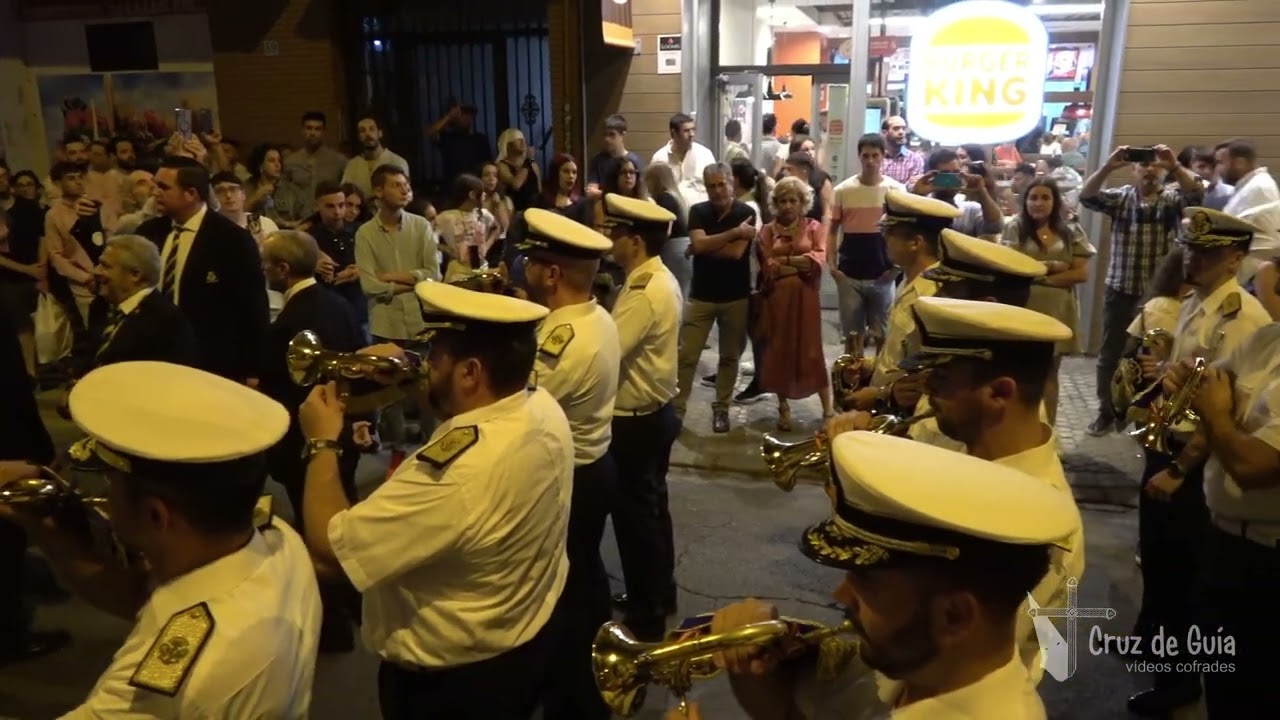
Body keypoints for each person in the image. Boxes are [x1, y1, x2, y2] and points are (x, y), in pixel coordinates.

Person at [295, 282, 571, 719]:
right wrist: (407, 379)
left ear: (470, 373)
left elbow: (330, 552)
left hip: (452, 683)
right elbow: (466, 412)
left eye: (435, 357)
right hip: (519, 638)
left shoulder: (451, 476)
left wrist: (322, 441)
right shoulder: (540, 406)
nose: (425, 365)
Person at [0, 361, 321, 716]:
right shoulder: (276, 539)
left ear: (156, 514)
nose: (104, 495)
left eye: (111, 484)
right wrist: (44, 528)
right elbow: (141, 598)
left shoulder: (174, 681)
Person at [701, 432, 1078, 719]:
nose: (841, 594)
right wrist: (751, 666)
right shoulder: (916, 660)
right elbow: (792, 710)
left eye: (866, 583)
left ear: (956, 616)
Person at [1129, 207, 1271, 717]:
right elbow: (1194, 378)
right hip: (1168, 443)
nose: (1192, 258)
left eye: (1206, 252)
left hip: (1190, 463)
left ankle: (1181, 684)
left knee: (1187, 583)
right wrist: (1164, 371)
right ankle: (1170, 672)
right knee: (1165, 572)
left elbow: (1223, 412)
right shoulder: (1198, 301)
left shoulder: (1241, 317)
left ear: (1236, 258)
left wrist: (1180, 469)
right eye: (1190, 248)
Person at [516, 208, 620, 719]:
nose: (525, 271)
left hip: (572, 476)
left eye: (532, 263)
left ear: (551, 274)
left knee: (564, 588)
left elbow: (517, 405)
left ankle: (578, 694)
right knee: (585, 573)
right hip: (597, 463)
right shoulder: (596, 316)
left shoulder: (561, 342)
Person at [1161, 323, 1280, 718]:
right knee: (1224, 684)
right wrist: (1185, 376)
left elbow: (1252, 465)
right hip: (1226, 540)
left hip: (1269, 559)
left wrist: (1216, 413)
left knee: (1259, 693)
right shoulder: (1267, 339)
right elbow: (1209, 379)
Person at [600, 193, 683, 642]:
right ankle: (659, 594)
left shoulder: (643, 291)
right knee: (652, 513)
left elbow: (608, 352)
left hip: (635, 419)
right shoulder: (656, 278)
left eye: (616, 234)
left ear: (634, 240)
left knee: (637, 523)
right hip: (654, 414)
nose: (610, 240)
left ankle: (646, 616)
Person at [136, 156, 269, 384]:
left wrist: (254, 370)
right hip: (154, 362)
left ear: (191, 194)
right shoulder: (148, 233)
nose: (155, 192)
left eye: (163, 187)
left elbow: (253, 308)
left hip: (212, 366)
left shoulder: (232, 239)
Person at [842, 191, 959, 414]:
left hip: (906, 414)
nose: (884, 239)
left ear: (916, 243)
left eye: (890, 232)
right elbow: (903, 351)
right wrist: (870, 367)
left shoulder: (935, 295)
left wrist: (880, 395)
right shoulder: (909, 280)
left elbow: (930, 374)